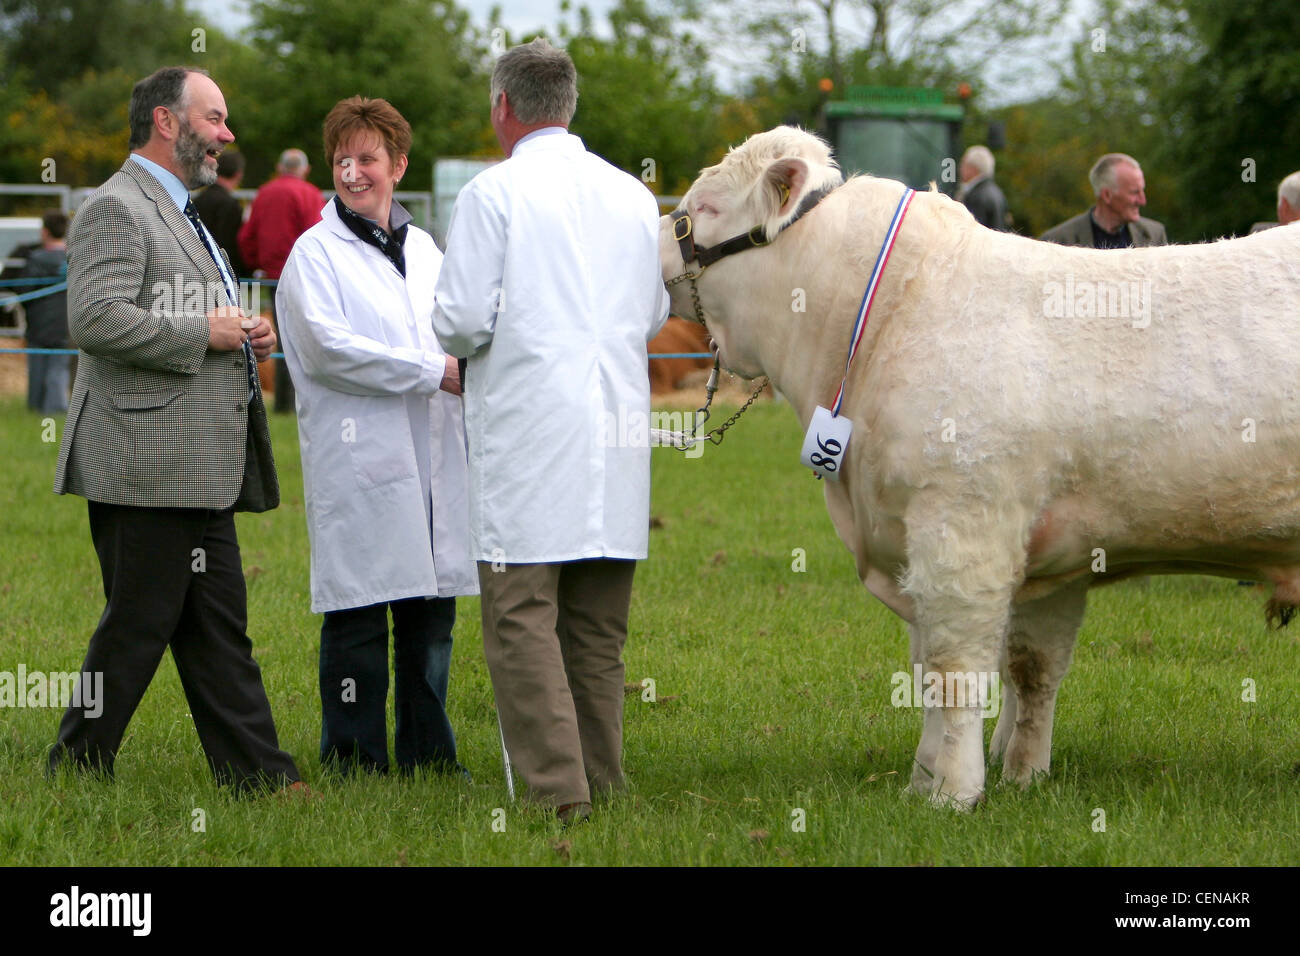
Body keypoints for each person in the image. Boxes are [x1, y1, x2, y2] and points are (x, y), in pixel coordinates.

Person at [434, 39, 669, 824]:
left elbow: (461, 320)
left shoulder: (491, 194)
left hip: (531, 436)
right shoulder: (635, 198)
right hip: (616, 431)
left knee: (520, 615)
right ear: (568, 106)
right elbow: (657, 313)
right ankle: (601, 778)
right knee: (597, 629)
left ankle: (555, 795)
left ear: (503, 107)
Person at [49, 65, 301, 795]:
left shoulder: (185, 210)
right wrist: (206, 332)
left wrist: (245, 331)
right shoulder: (117, 207)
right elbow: (94, 320)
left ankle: (260, 776)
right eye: (215, 119)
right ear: (167, 121)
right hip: (144, 459)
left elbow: (189, 314)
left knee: (216, 628)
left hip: (195, 464)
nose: (227, 135)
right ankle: (75, 765)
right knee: (137, 625)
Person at [277, 96, 477, 776]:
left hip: (433, 455)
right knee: (359, 617)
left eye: (367, 159)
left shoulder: (424, 249)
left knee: (429, 620)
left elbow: (457, 330)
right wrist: (433, 372)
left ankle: (429, 756)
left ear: (399, 164)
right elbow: (332, 350)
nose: (354, 173)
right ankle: (353, 758)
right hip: (359, 457)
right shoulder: (314, 255)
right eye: (342, 160)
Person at [239, 148, 323, 413]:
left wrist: (256, 263)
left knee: (272, 338)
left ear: (279, 167)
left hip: (269, 276)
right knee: (300, 339)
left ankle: (274, 400)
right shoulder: (311, 194)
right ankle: (295, 400)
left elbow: (247, 237)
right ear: (305, 170)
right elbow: (317, 235)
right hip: (302, 276)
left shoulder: (264, 193)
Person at [1040, 152, 1167, 248]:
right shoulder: (1057, 242)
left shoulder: (1154, 235)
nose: (1142, 201)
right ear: (1107, 195)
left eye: (1142, 190)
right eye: (1134, 192)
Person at [23, 210, 71, 414]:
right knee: (59, 367)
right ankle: (56, 408)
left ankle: (36, 407)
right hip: (66, 322)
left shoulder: (36, 258)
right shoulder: (73, 258)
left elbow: (26, 291)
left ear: (44, 232)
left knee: (37, 366)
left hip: (39, 322)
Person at [192, 148, 247, 279]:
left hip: (197, 268)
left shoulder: (198, 200)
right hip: (223, 273)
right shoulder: (231, 204)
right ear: (238, 174)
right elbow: (231, 245)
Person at [955, 145, 1008, 231]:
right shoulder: (997, 192)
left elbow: (970, 231)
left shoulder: (976, 196)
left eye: (963, 163)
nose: (960, 167)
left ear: (973, 168)